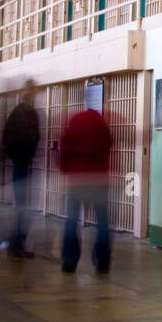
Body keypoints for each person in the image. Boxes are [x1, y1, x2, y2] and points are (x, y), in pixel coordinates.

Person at [59, 105, 113, 274]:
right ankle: (103, 261)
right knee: (102, 222)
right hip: (99, 180)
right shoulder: (101, 125)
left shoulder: (75, 122)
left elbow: (65, 147)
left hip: (78, 179)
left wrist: (65, 168)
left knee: (72, 220)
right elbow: (109, 143)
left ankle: (69, 262)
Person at [3, 85, 39, 257]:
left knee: (20, 204)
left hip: (19, 161)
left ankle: (15, 242)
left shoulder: (15, 112)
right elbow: (33, 137)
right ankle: (17, 244)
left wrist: (13, 155)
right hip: (23, 162)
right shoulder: (29, 112)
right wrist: (27, 155)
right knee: (23, 205)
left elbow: (6, 136)